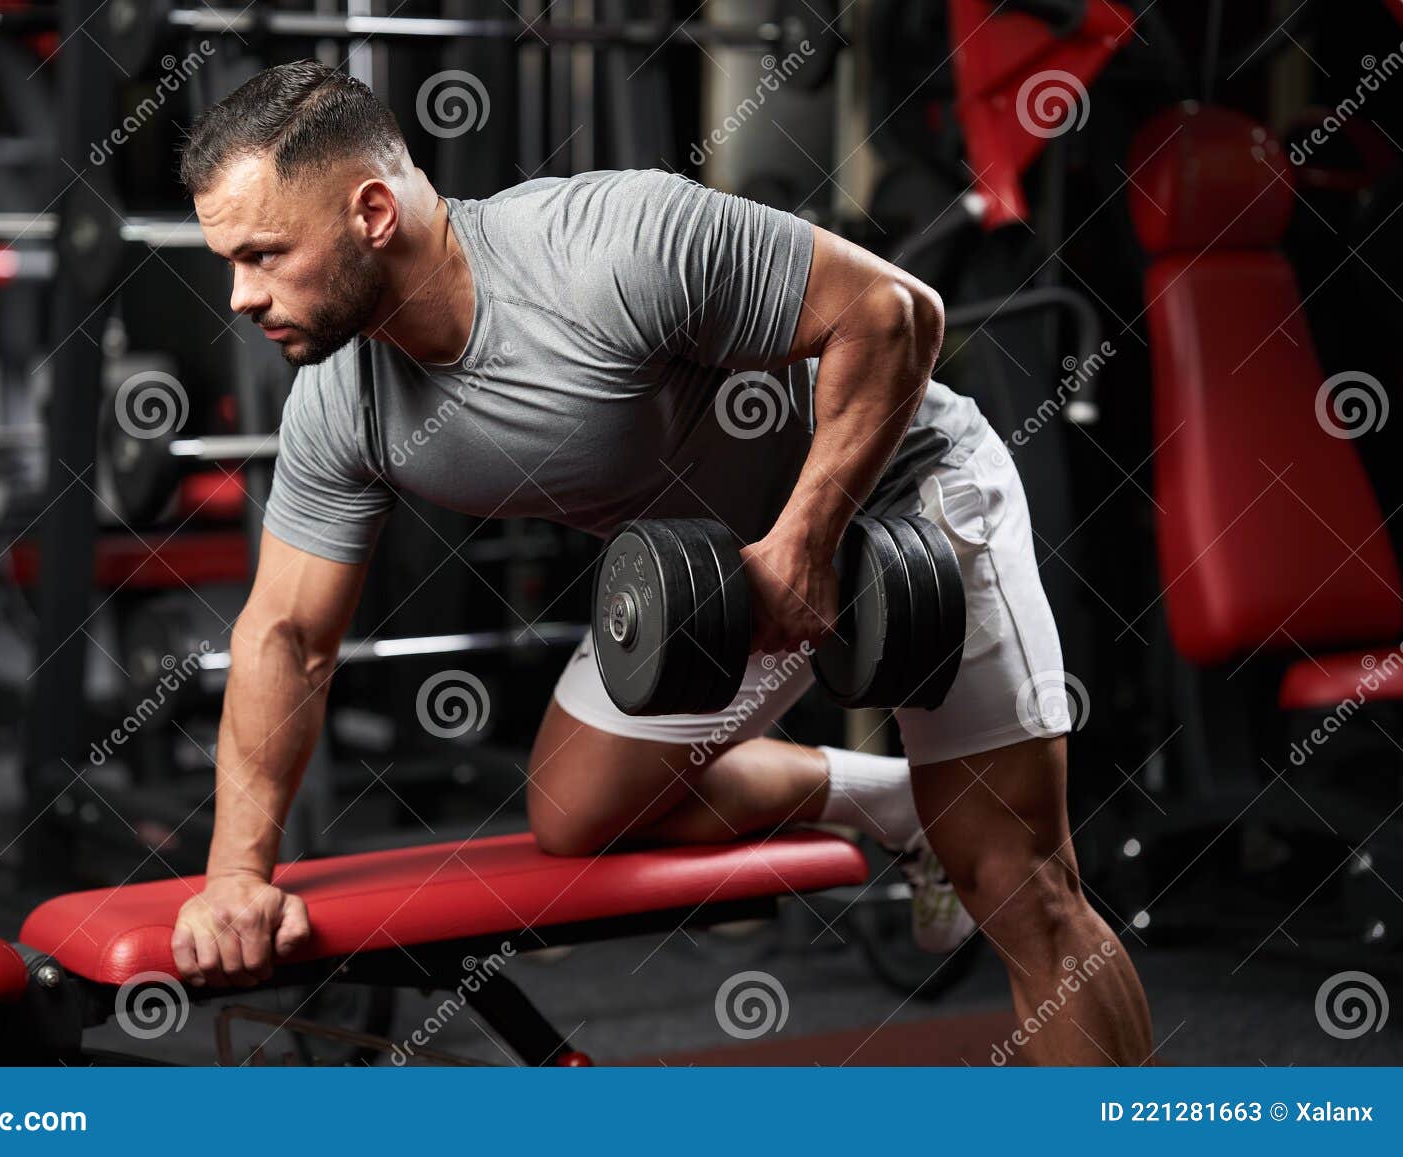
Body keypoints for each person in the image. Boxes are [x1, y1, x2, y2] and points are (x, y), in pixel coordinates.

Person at [168, 61, 1153, 1064]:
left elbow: (896, 314)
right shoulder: (343, 404)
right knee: (577, 810)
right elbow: (286, 634)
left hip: (901, 495)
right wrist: (237, 872)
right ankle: (895, 802)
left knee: (1020, 883)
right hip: (723, 578)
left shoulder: (609, 244)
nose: (240, 295)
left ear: (372, 210)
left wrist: (806, 541)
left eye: (262, 255)